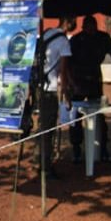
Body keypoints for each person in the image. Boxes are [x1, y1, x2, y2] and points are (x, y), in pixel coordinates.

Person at [68, 14, 111, 163]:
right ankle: (76, 148)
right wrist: (71, 83)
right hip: (78, 81)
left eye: (93, 26)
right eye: (88, 26)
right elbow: (67, 62)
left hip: (94, 80)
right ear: (83, 27)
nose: (91, 29)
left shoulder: (102, 37)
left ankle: (102, 147)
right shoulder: (76, 40)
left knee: (99, 113)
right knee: (75, 115)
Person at [37, 17, 73, 178]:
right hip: (50, 88)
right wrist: (66, 95)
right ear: (68, 23)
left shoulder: (46, 34)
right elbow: (63, 72)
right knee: (48, 129)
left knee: (42, 125)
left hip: (38, 86)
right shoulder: (64, 42)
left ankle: (40, 160)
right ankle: (45, 167)